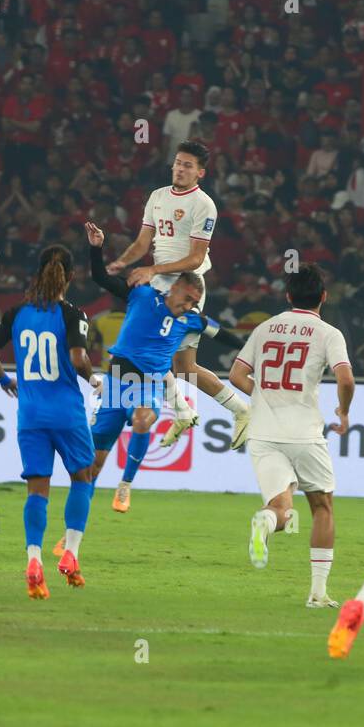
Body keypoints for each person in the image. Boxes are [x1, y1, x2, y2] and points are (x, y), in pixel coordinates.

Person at [82, 220, 245, 513]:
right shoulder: (142, 295)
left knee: (144, 419)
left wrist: (249, 352)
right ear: (176, 288)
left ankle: (125, 486)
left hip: (148, 383)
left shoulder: (194, 319)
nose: (191, 305)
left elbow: (223, 336)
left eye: (196, 301)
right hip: (117, 377)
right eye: (188, 298)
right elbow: (100, 278)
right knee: (92, 466)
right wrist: (96, 249)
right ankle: (71, 537)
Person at [106, 140, 251, 448]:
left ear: (200, 173)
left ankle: (229, 410)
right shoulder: (157, 197)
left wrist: (154, 270)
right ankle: (199, 411)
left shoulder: (204, 205)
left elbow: (196, 259)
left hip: (186, 287)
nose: (181, 169)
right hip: (160, 285)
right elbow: (143, 243)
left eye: (188, 165)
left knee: (162, 359)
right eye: (178, 163)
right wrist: (123, 261)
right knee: (183, 368)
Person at [231, 264, 355, 608]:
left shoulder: (265, 327)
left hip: (264, 434)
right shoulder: (328, 333)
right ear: (324, 297)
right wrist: (343, 413)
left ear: (288, 296)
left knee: (280, 506)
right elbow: (345, 380)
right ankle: (317, 593)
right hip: (304, 433)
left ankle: (266, 523)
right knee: (322, 508)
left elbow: (237, 374)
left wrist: (263, 395)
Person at [0, 243, 99, 598]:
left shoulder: (16, 313)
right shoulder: (72, 314)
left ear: (37, 272)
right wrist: (92, 378)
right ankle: (71, 555)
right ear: (71, 277)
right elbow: (78, 358)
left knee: (37, 490)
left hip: (30, 415)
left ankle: (34, 559)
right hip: (66, 413)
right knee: (83, 477)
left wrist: (6, 381)